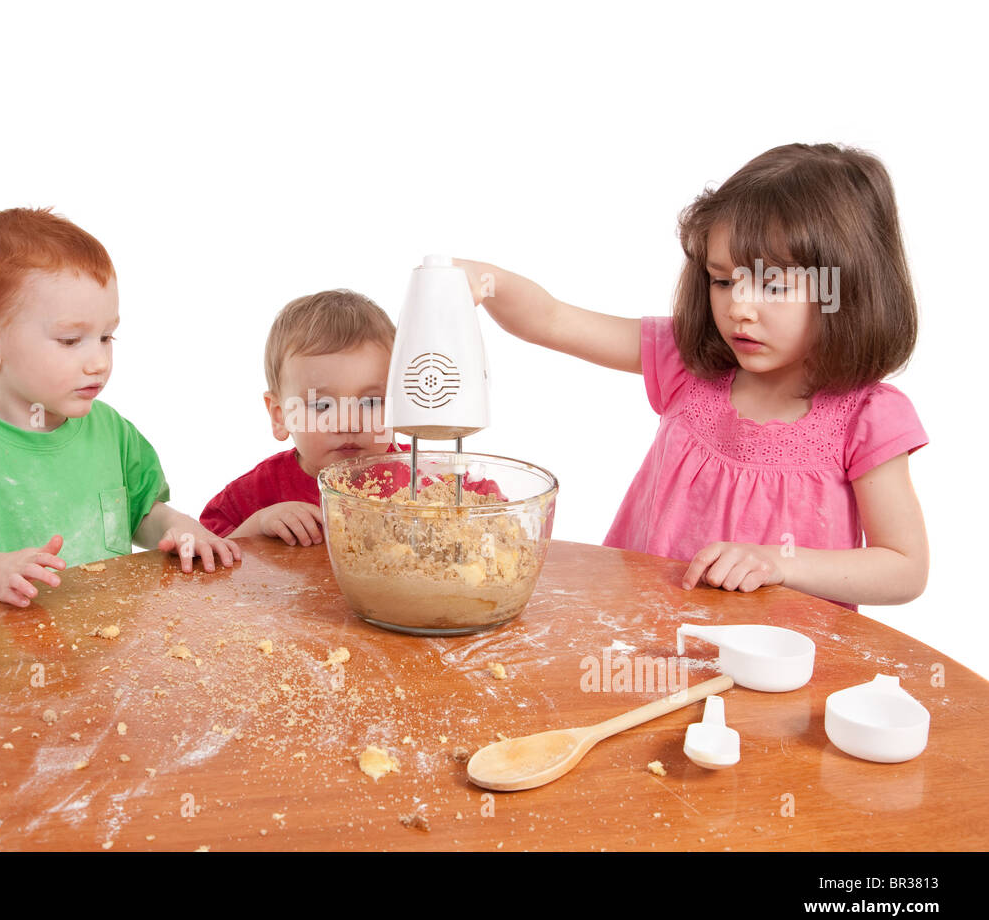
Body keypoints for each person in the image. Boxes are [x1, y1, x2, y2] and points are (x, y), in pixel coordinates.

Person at [457, 143, 928, 609]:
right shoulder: (688, 363)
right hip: (643, 635)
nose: (739, 308)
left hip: (777, 665)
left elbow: (904, 568)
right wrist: (487, 281)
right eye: (722, 280)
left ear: (845, 290)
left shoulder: (867, 417)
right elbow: (553, 320)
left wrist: (779, 563)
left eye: (773, 285)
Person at [0, 207, 239, 616]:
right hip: (4, 668)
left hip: (109, 657)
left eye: (106, 336)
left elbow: (142, 514)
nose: (99, 362)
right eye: (71, 340)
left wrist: (178, 526)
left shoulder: (111, 430)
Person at [199, 290, 399, 544]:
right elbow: (205, 559)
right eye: (322, 405)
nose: (349, 423)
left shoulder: (425, 479)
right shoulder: (254, 494)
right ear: (280, 416)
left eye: (370, 402)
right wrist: (258, 524)